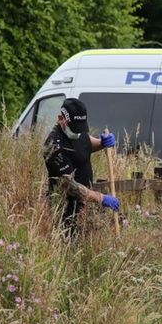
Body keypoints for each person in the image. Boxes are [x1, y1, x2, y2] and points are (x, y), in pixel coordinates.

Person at [43, 98, 119, 236]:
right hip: (65, 211)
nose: (78, 132)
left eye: (80, 128)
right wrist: (102, 198)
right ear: (61, 119)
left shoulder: (77, 132)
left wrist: (102, 143)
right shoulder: (54, 147)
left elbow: (85, 143)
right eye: (75, 128)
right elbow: (70, 187)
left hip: (85, 206)